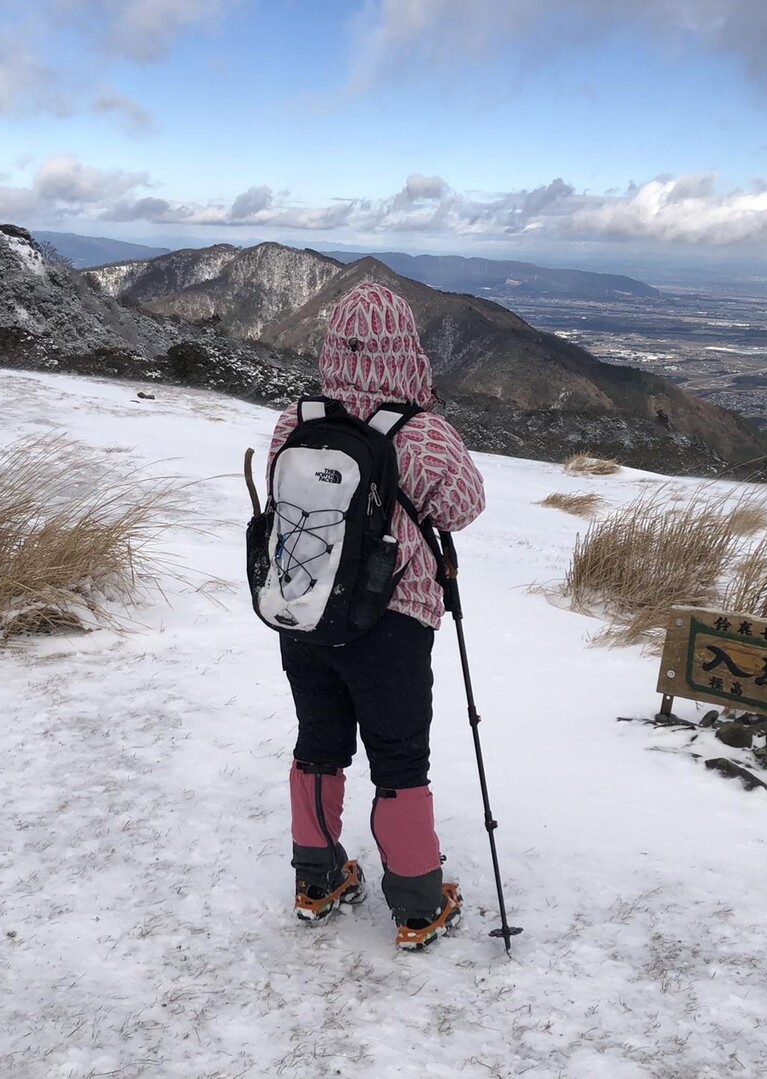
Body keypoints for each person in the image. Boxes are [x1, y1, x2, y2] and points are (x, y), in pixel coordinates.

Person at [267, 281, 485, 950]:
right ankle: (418, 904)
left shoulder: (295, 422)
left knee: (317, 743)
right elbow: (463, 509)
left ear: (333, 346)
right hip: (393, 623)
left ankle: (317, 879)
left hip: (304, 613)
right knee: (399, 760)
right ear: (406, 349)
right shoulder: (424, 435)